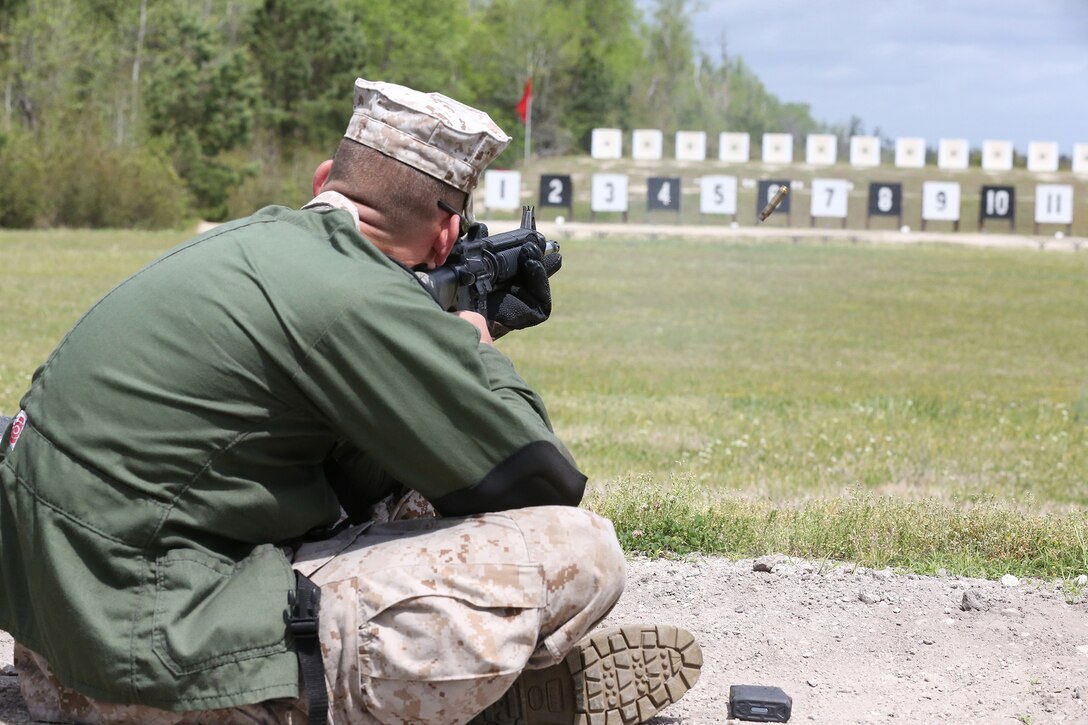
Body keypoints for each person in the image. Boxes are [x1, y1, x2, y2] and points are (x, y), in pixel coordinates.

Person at [0, 78, 701, 724]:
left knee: (416, 492)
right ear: (448, 234)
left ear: (321, 183)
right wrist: (475, 347)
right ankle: (427, 696)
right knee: (578, 550)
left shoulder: (244, 249)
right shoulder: (355, 294)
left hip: (53, 649)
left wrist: (434, 348)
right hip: (153, 671)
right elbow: (540, 477)